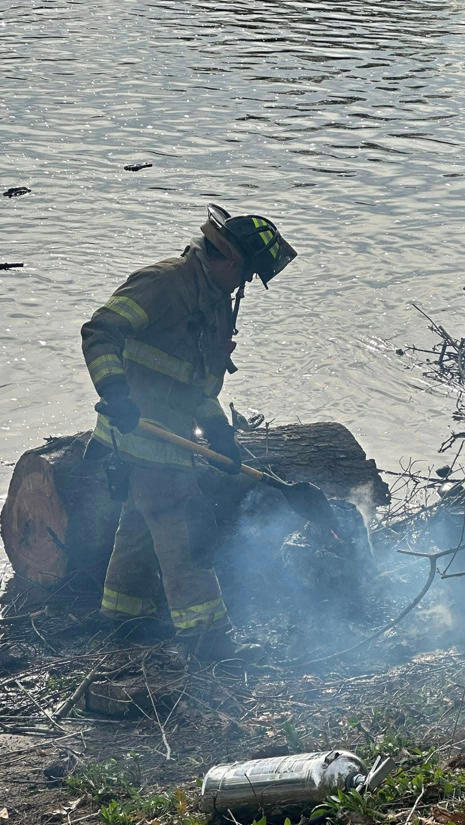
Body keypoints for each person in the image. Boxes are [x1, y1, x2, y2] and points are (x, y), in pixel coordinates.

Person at [81, 204, 297, 661]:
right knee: (184, 528)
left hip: (167, 435)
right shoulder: (163, 283)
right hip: (137, 429)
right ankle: (208, 638)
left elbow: (196, 384)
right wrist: (115, 391)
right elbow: (99, 331)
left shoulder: (214, 301)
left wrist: (220, 434)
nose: (243, 285)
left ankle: (123, 619)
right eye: (246, 274)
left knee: (141, 524)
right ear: (229, 259)